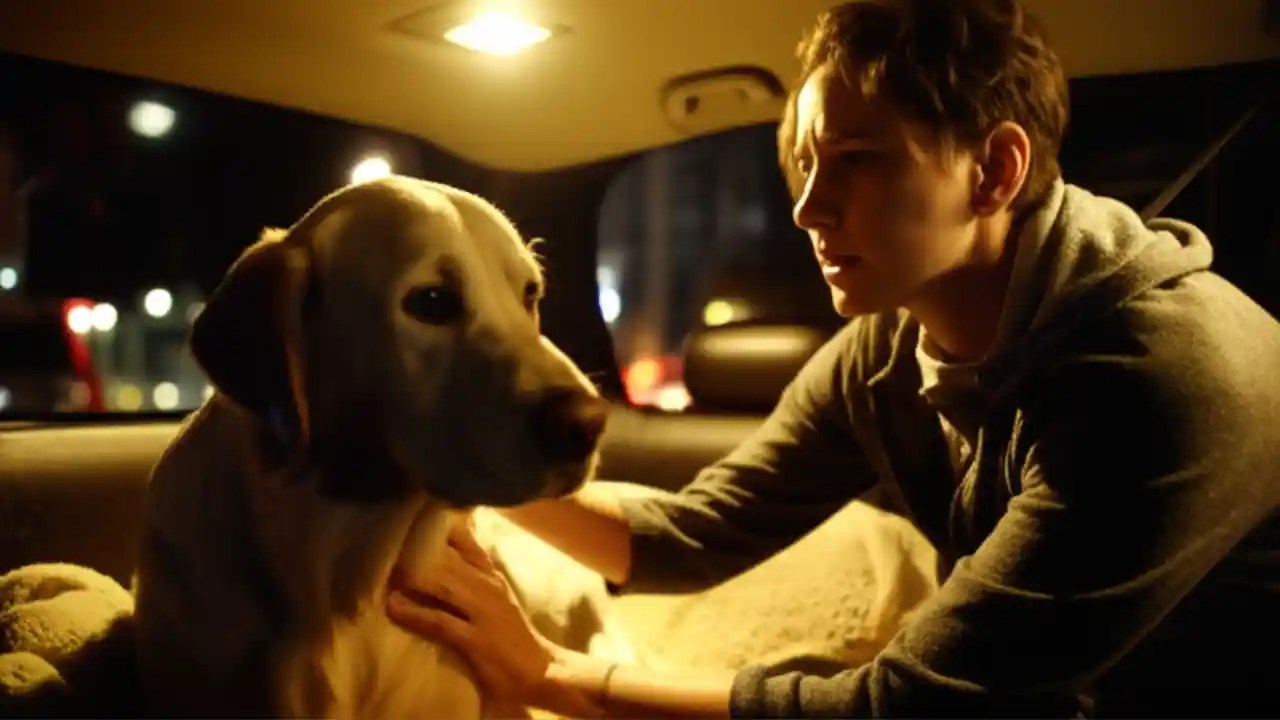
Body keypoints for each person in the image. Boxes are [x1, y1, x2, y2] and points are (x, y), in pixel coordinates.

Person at [387, 0, 1280, 716]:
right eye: (805, 166)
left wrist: (546, 675)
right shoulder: (891, 348)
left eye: (856, 159)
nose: (808, 210)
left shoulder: (1157, 378)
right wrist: (468, 458)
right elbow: (689, 539)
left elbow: (906, 707)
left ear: (995, 172)